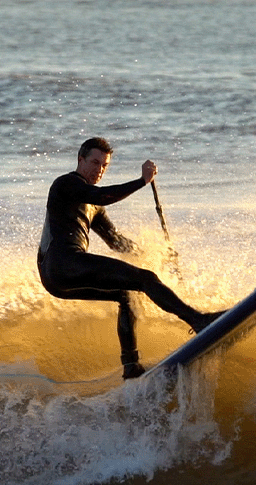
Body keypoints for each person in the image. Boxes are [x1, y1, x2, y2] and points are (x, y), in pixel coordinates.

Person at [37, 137, 223, 379]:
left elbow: (116, 242)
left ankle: (131, 366)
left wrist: (155, 253)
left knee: (126, 294)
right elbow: (103, 195)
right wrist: (141, 182)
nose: (99, 170)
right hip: (62, 264)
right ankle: (198, 320)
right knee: (145, 279)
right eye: (94, 162)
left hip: (56, 279)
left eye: (104, 166)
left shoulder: (94, 207)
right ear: (80, 159)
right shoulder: (66, 184)